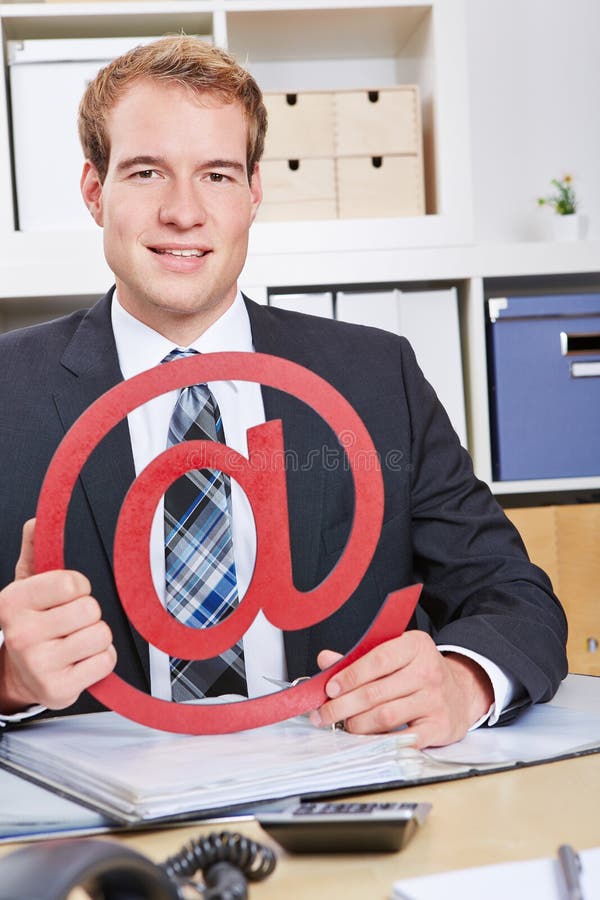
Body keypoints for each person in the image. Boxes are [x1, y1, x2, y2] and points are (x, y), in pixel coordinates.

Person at [0, 37, 567, 749]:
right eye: (146, 173)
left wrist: (462, 680)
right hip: (101, 805)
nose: (183, 212)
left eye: (217, 175)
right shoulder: (8, 390)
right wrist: (7, 676)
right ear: (94, 191)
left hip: (335, 782)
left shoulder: (375, 376)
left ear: (253, 193)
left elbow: (514, 597)